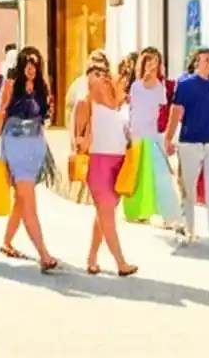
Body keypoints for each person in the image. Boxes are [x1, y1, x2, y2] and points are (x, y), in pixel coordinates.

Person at [0, 48, 60, 272]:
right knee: (28, 199)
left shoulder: (41, 88)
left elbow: (43, 118)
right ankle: (44, 255)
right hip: (15, 143)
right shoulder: (11, 84)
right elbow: (0, 113)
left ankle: (6, 242)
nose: (31, 67)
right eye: (28, 63)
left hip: (35, 147)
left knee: (21, 199)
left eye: (35, 64)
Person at [74, 60, 137, 277]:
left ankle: (92, 258)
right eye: (94, 72)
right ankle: (121, 263)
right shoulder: (86, 102)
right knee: (107, 213)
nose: (99, 76)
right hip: (99, 162)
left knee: (103, 215)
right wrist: (82, 140)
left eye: (102, 71)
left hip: (118, 163)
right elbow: (78, 138)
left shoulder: (117, 102)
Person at [164, 47, 209, 249]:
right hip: (191, 142)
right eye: (205, 59)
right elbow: (176, 112)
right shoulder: (185, 84)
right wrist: (168, 137)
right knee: (188, 187)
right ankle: (189, 229)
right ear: (195, 62)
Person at [125, 47, 183, 230]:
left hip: (152, 136)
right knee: (138, 175)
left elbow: (160, 110)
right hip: (136, 136)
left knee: (161, 175)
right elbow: (134, 111)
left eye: (156, 62)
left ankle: (171, 215)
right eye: (149, 61)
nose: (152, 65)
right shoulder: (135, 86)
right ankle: (136, 212)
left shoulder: (160, 88)